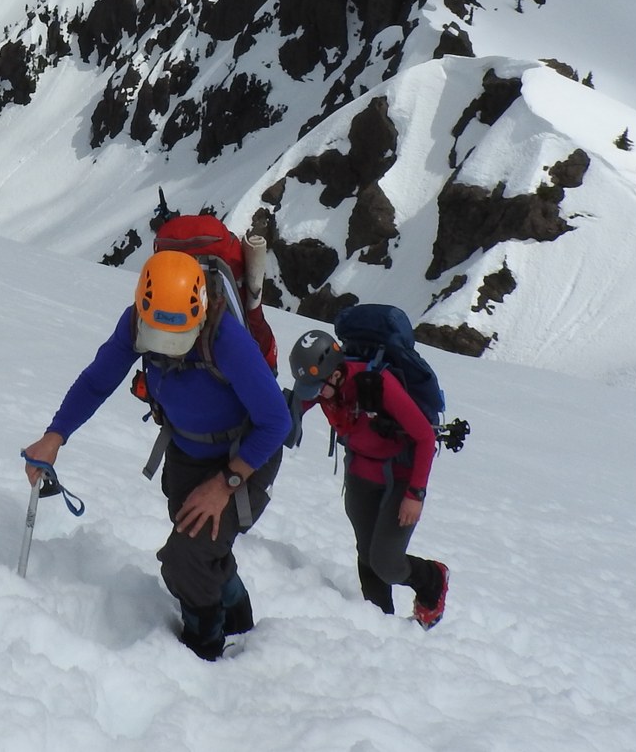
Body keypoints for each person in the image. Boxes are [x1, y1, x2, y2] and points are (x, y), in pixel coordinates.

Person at [23, 249, 291, 660]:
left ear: (198, 315)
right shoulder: (135, 322)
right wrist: (55, 435)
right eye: (159, 341)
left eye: (178, 341)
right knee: (202, 547)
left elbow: (276, 421)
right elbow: (98, 380)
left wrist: (226, 483)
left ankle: (204, 650)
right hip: (186, 450)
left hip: (246, 454)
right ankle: (238, 620)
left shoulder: (225, 337)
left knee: (186, 558)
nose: (169, 352)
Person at [288, 329, 449, 627]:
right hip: (360, 472)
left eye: (318, 387)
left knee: (387, 563)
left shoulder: (379, 384)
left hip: (400, 477)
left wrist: (415, 494)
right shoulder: (322, 386)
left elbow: (425, 438)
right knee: (366, 553)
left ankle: (432, 580)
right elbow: (297, 403)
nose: (315, 394)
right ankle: (380, 623)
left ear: (336, 374)